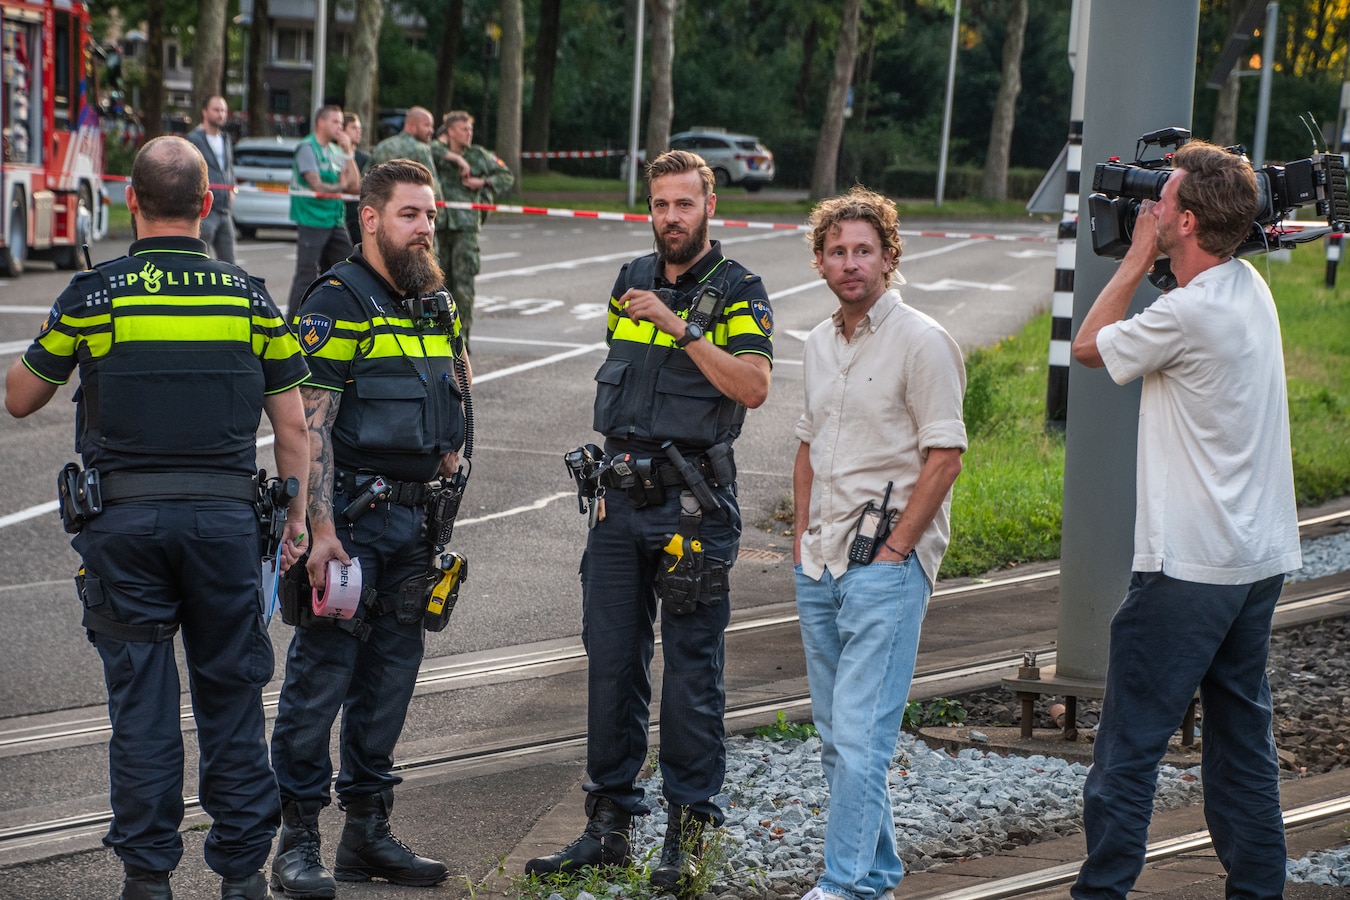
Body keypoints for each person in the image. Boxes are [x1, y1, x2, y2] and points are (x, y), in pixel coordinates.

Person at [4, 135, 310, 900]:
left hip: (125, 529)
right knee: (232, 700)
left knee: (140, 705)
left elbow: (20, 395)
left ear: (128, 202)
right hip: (226, 528)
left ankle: (147, 878)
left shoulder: (96, 294)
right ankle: (242, 875)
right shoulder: (248, 296)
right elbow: (296, 426)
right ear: (208, 205)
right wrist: (298, 519)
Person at [524, 149, 772, 892]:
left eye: (683, 204)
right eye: (660, 205)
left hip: (692, 505)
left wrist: (678, 325)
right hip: (619, 501)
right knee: (611, 667)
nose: (670, 218)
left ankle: (689, 835)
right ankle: (608, 829)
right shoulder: (628, 279)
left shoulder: (737, 289)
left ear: (709, 207)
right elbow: (627, 389)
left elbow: (754, 386)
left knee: (691, 678)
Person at [1069, 140, 1302, 900]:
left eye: (1161, 202)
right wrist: (1186, 177)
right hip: (1255, 561)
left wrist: (1134, 258)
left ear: (1189, 222)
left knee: (1128, 750)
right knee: (1241, 743)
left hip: (1186, 572)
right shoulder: (1247, 289)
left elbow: (1087, 347)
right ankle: (1258, 890)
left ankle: (1100, 893)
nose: (1150, 210)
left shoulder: (1186, 314)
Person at [268, 159, 467, 897]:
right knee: (321, 682)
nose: (425, 229)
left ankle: (367, 835)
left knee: (390, 683)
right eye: (411, 215)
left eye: (431, 216)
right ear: (371, 219)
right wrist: (315, 530)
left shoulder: (432, 301)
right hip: (349, 528)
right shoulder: (336, 301)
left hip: (415, 527)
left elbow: (455, 393)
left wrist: (447, 449)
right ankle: (296, 843)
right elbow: (305, 427)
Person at [792, 186, 966, 900]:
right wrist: (803, 533)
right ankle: (879, 874)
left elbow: (946, 455)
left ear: (889, 259)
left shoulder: (923, 341)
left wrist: (897, 552)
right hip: (821, 562)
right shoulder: (815, 343)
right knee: (841, 740)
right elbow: (806, 446)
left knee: (862, 737)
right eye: (837, 251)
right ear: (821, 262)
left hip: (885, 571)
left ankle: (846, 886)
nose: (850, 262)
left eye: (864, 250)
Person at [433, 110, 514, 346]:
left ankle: (462, 337)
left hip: (465, 228)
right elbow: (430, 149)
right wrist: (457, 159)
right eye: (463, 129)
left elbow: (506, 176)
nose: (468, 133)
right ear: (449, 132)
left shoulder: (478, 155)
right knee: (437, 283)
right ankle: (438, 335)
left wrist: (484, 182)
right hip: (439, 226)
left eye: (470, 129)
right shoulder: (437, 153)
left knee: (463, 286)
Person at [286, 104, 361, 321]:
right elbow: (317, 185)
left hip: (333, 219)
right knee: (306, 274)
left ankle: (335, 317)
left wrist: (348, 154)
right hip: (312, 219)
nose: (340, 127)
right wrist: (340, 185)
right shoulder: (307, 148)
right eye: (335, 122)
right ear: (321, 123)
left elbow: (354, 186)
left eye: (341, 123)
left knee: (346, 268)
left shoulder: (336, 151)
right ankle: (293, 325)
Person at [185, 94, 237, 262]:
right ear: (205, 112)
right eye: (216, 110)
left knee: (230, 264)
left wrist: (233, 189)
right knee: (198, 260)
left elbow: (229, 169)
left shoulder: (226, 139)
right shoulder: (194, 139)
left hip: (224, 210)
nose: (220, 114)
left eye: (223, 110)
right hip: (205, 211)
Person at [341, 113, 370, 246]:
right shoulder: (332, 155)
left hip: (356, 217)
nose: (358, 131)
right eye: (353, 128)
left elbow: (358, 188)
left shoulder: (365, 158)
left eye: (359, 128)